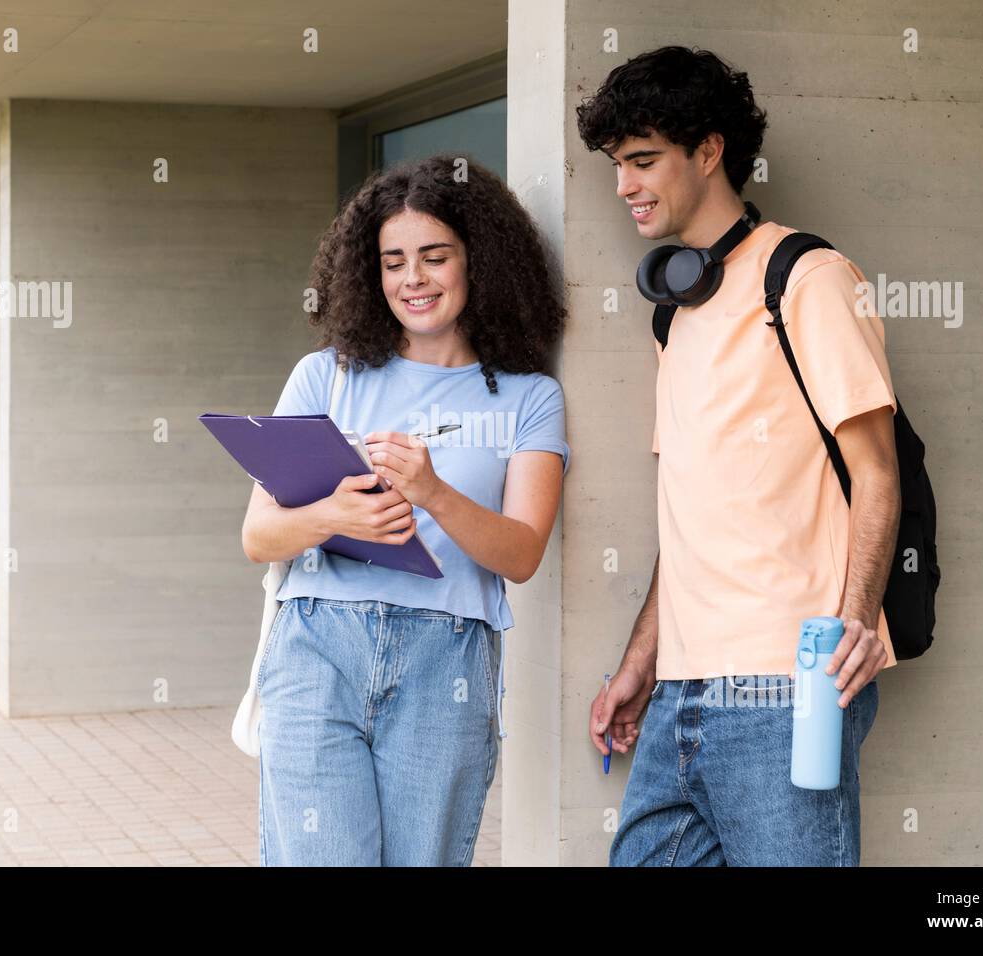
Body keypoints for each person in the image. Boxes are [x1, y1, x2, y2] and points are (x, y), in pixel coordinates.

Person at [577, 46, 899, 866]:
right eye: (619, 165)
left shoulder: (806, 278)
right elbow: (689, 511)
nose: (625, 186)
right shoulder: (672, 318)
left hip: (785, 682)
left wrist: (854, 622)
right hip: (681, 689)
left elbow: (877, 472)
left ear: (710, 151)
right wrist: (639, 666)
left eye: (644, 160)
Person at [241, 154, 570, 866]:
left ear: (478, 261)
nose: (412, 279)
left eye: (433, 257)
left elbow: (522, 554)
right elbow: (259, 536)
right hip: (317, 646)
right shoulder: (324, 375)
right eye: (393, 262)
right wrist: (336, 516)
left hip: (445, 659)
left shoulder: (528, 396)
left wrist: (434, 494)